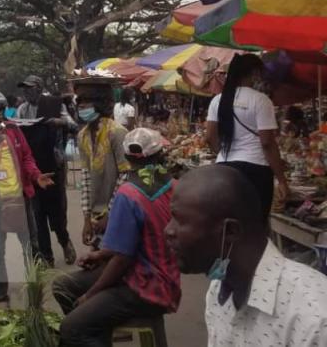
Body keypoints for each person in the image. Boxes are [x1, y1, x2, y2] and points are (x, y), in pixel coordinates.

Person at [165, 165, 327, 346]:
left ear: (230, 231)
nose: (168, 230)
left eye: (180, 220)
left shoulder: (314, 318)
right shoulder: (218, 290)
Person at [54, 128, 180, 345]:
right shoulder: (174, 186)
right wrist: (101, 254)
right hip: (165, 280)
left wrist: (90, 296)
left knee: (71, 328)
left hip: (144, 285)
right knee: (63, 286)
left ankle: (91, 331)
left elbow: (122, 260)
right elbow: (135, 241)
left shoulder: (129, 194)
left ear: (127, 158)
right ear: (160, 154)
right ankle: (98, 328)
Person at [0, 88, 54, 308]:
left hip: (21, 199)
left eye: (1, 110)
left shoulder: (13, 129)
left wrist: (36, 175)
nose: (0, 115)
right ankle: (2, 297)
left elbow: (26, 157)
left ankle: (35, 295)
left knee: (31, 248)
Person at [205, 54, 290, 218]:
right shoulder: (261, 100)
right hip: (256, 169)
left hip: (224, 167)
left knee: (229, 219)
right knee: (256, 219)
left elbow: (209, 137)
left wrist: (222, 154)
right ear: (254, 73)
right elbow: (267, 143)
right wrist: (282, 180)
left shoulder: (218, 100)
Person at [17, 75, 78, 266]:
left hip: (53, 164)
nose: (26, 92)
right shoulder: (22, 109)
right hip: (32, 166)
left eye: (29, 88)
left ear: (39, 88)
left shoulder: (55, 104)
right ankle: (47, 256)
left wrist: (60, 123)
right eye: (24, 89)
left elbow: (74, 125)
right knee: (38, 213)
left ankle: (64, 241)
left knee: (57, 211)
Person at [75, 80, 130, 247]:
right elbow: (86, 178)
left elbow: (125, 177)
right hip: (96, 215)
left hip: (119, 212)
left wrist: (110, 214)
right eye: (80, 101)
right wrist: (86, 218)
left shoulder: (117, 133)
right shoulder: (82, 136)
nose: (82, 105)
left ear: (100, 103)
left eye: (87, 101)